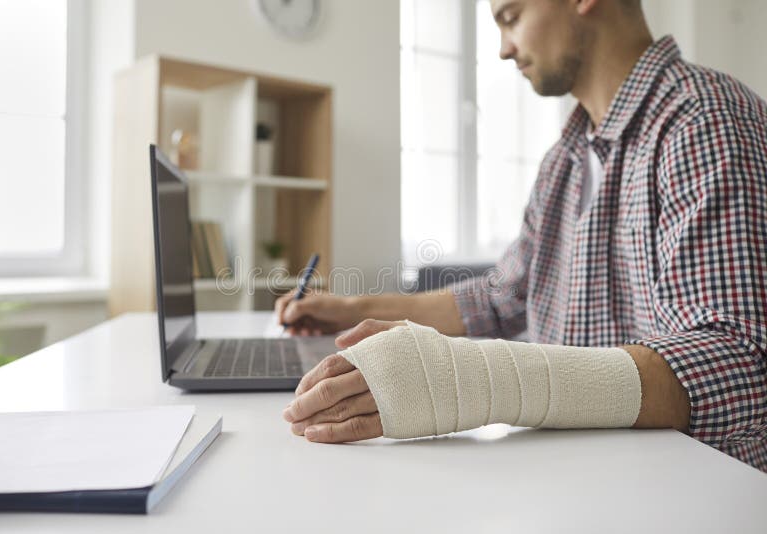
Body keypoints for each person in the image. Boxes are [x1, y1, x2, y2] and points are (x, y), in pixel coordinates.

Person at [277, 0, 767, 472]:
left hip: (693, 487)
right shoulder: (564, 161)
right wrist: (349, 311)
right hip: (582, 472)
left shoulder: (704, 122)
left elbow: (739, 363)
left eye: (511, 17)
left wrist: (465, 379)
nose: (503, 49)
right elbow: (501, 297)